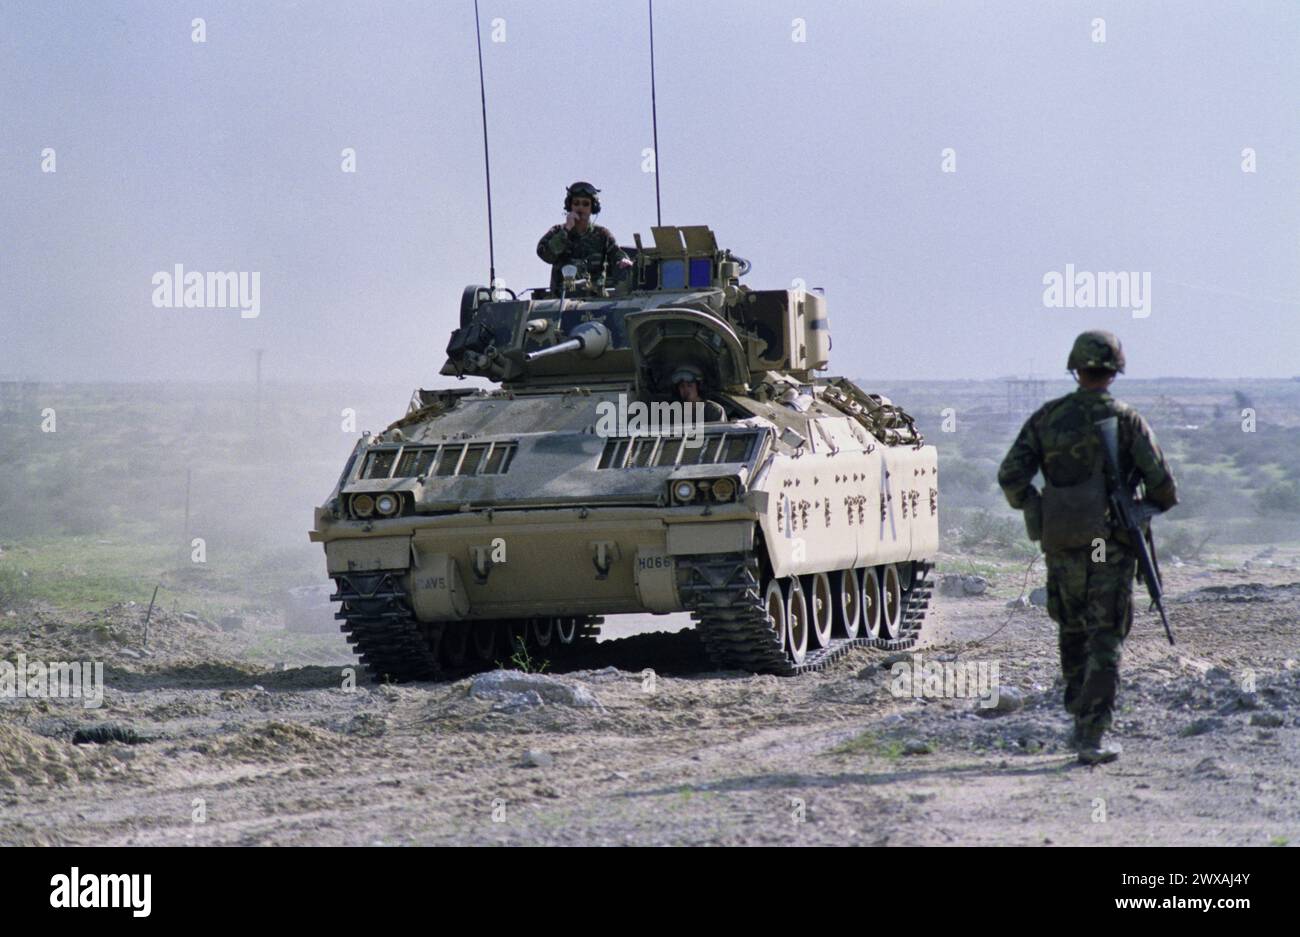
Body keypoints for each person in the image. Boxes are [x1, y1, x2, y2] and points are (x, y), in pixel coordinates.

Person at [997, 330, 1178, 765]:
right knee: (1106, 634)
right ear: (1115, 370)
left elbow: (1011, 477)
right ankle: (1091, 731)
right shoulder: (1127, 420)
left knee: (1072, 627)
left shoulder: (1048, 418)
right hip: (1106, 546)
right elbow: (1165, 489)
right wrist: (1136, 511)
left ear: (1075, 369)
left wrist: (1045, 510)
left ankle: (1080, 704)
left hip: (1065, 545)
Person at [536, 181, 632, 295]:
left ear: (593, 207)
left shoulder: (602, 235)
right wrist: (566, 230)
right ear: (569, 206)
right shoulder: (558, 232)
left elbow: (618, 256)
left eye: (585, 204)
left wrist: (622, 261)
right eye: (576, 203)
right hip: (562, 301)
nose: (580, 207)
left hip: (596, 301)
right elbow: (545, 255)